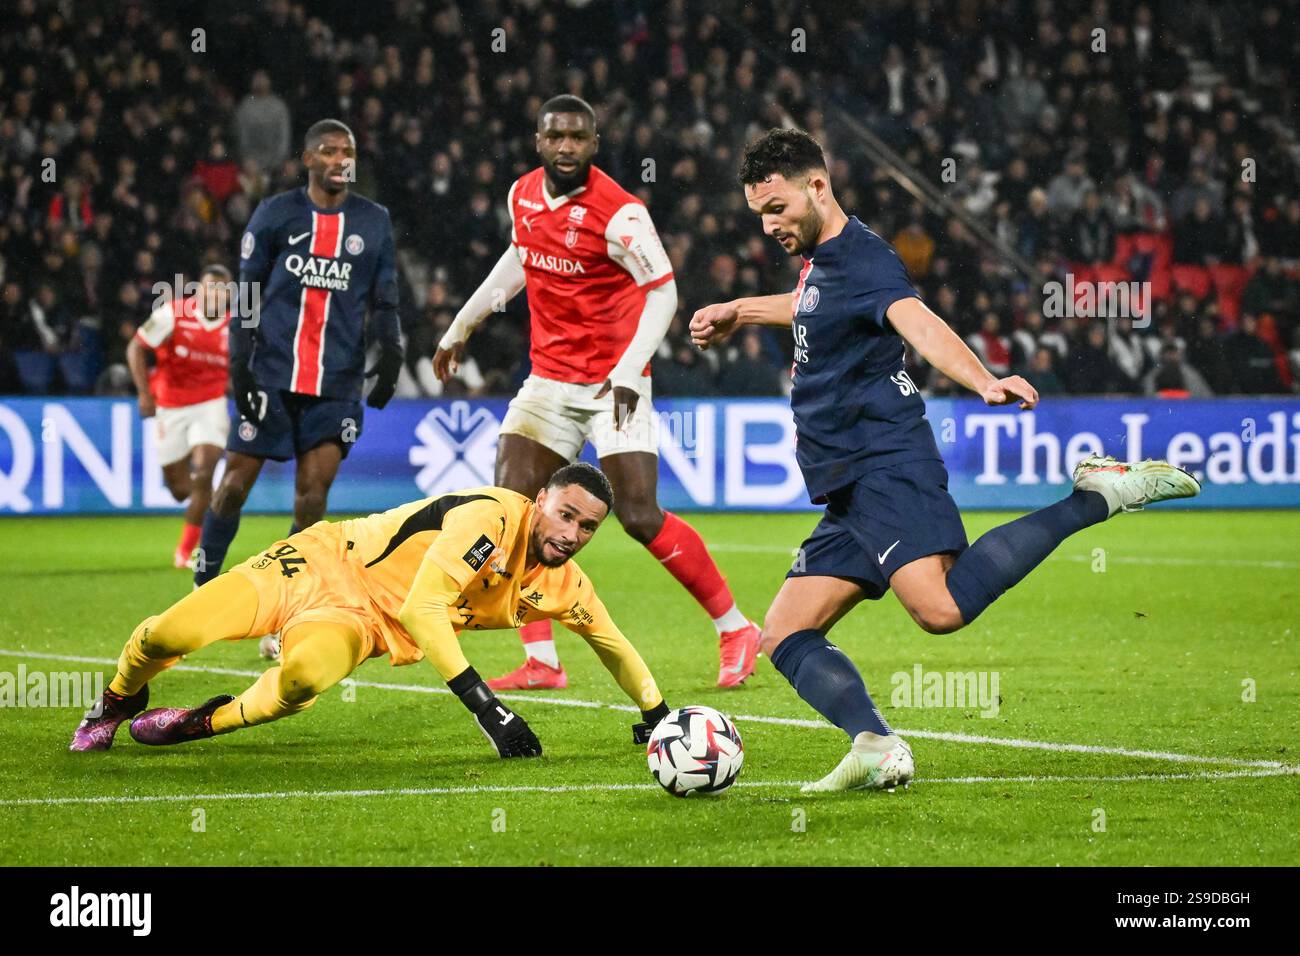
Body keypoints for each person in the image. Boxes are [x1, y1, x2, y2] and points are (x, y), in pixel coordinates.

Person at [690, 129, 1201, 792]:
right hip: (847, 485)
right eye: (760, 212)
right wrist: (740, 310)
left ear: (818, 187)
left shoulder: (866, 258)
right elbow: (809, 308)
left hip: (885, 463)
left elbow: (916, 320)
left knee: (940, 610)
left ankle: (1096, 496)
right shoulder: (823, 262)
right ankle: (873, 744)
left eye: (778, 208)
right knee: (785, 634)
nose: (769, 225)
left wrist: (982, 380)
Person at [434, 95, 760, 691]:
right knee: (513, 509)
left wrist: (630, 372)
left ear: (593, 144)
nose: (565, 146)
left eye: (577, 138)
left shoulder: (622, 214)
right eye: (555, 136)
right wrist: (461, 327)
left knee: (638, 515)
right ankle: (544, 661)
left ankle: (737, 628)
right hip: (548, 381)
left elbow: (662, 292)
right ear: (538, 140)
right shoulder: (522, 195)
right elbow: (519, 258)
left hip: (617, 384)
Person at [71, 463, 670, 757]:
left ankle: (201, 721)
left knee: (301, 679)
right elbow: (423, 609)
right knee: (170, 632)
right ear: (541, 499)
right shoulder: (490, 517)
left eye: (587, 527)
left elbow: (612, 644)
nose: (572, 533)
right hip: (322, 561)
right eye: (565, 514)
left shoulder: (566, 584)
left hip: (361, 624)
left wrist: (659, 714)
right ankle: (118, 697)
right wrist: (490, 711)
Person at [193, 119, 404, 603]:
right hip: (270, 374)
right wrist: (239, 365)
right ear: (307, 159)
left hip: (337, 382)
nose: (339, 160)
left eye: (347, 151)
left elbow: (386, 299)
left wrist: (392, 352)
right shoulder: (275, 214)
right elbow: (246, 294)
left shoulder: (374, 221)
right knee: (232, 487)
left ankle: (288, 606)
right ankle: (202, 589)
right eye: (328, 151)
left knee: (312, 498)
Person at [126, 264, 232, 568]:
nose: (215, 295)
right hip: (170, 406)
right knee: (178, 488)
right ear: (199, 291)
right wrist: (145, 393)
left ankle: (185, 552)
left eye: (222, 290)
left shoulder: (236, 325)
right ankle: (204, 502)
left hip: (210, 404)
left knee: (204, 472)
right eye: (210, 288)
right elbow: (135, 347)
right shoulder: (172, 313)